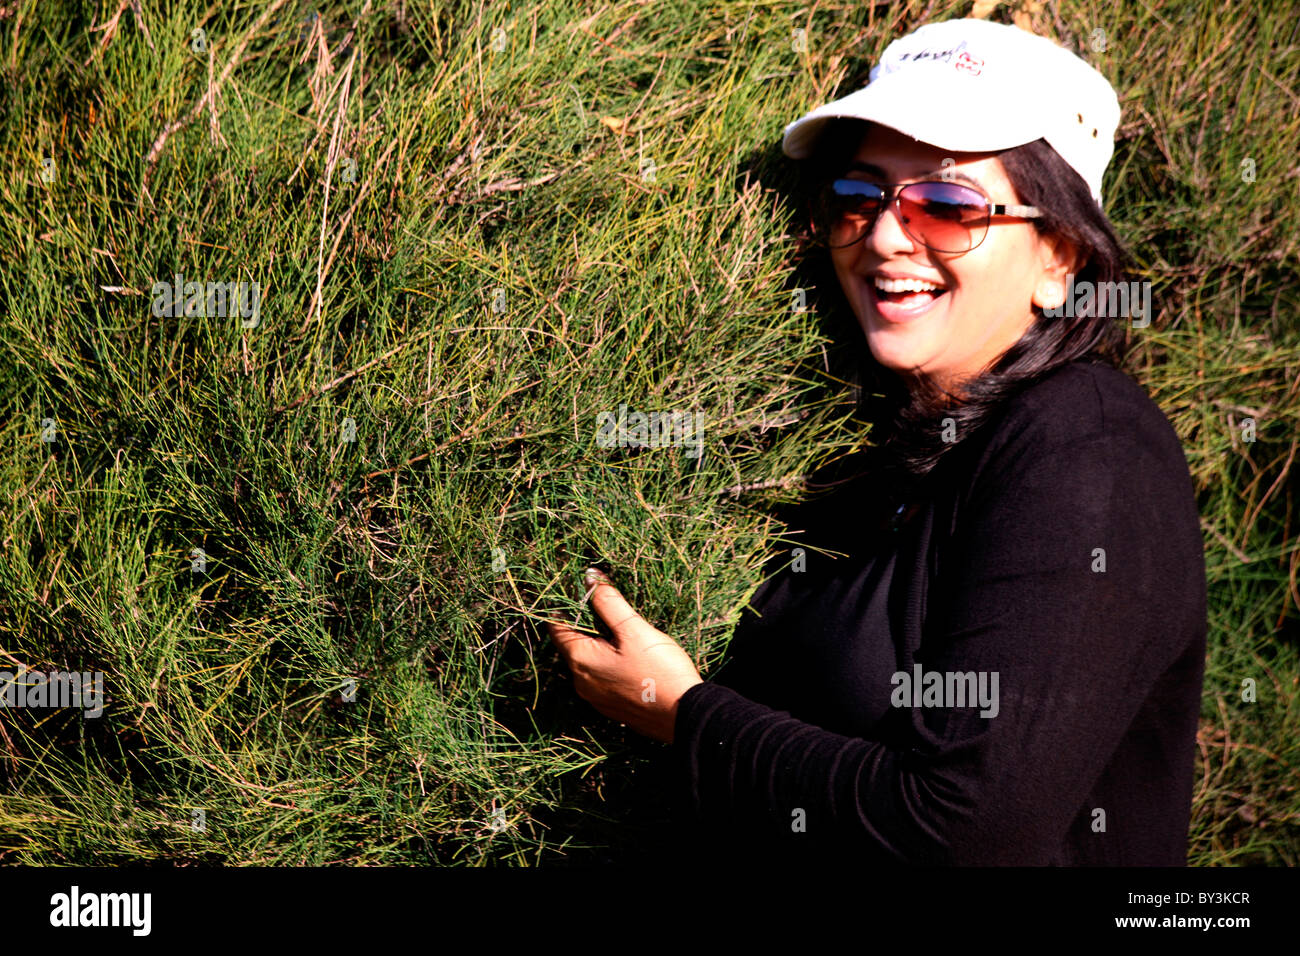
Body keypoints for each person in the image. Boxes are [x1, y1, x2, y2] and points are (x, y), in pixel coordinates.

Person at [546, 17, 1206, 865]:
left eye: (948, 204)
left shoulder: (1089, 450)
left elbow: (973, 829)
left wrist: (685, 714)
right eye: (859, 197)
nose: (888, 236)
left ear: (1060, 258)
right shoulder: (875, 445)